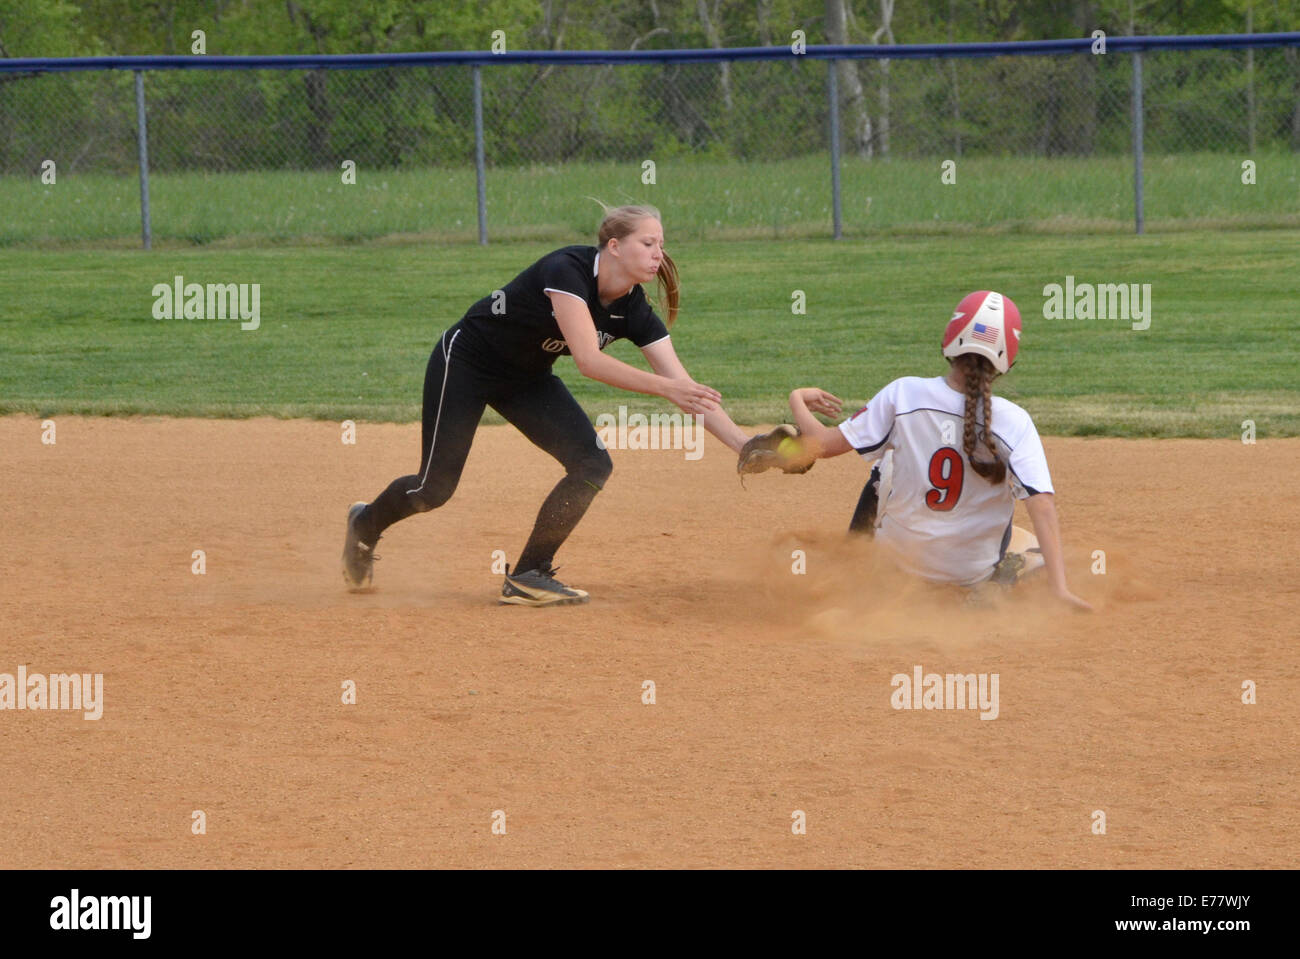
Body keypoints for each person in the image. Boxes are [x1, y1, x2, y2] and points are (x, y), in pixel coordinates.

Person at [342, 204, 762, 606]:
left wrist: (744, 445)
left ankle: (529, 575)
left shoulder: (634, 309)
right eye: (648, 243)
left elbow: (687, 388)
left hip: (525, 379)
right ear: (614, 246)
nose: (659, 254)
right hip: (468, 362)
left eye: (661, 244)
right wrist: (666, 389)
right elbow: (589, 361)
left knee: (592, 464)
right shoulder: (567, 270)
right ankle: (364, 524)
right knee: (433, 489)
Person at [784, 290, 1092, 610]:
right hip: (970, 572)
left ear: (950, 340)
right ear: (1007, 360)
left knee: (886, 461)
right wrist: (1059, 589)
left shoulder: (903, 393)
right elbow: (1041, 504)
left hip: (900, 564)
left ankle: (855, 567)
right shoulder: (1015, 421)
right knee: (1020, 522)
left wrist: (796, 399)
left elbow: (819, 446)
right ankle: (997, 582)